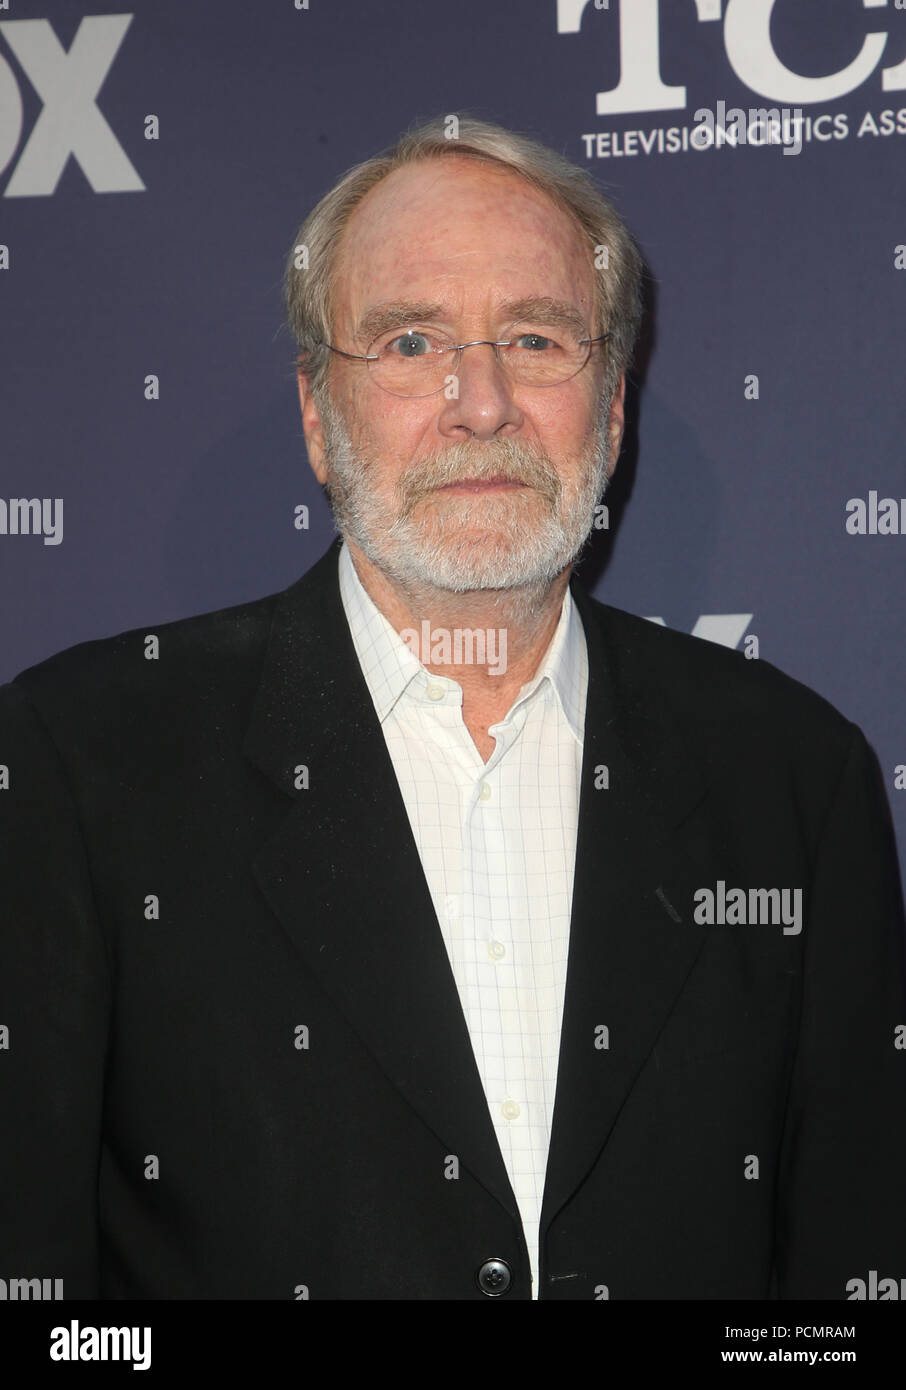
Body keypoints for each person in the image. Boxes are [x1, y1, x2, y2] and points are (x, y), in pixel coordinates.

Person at [1, 116, 904, 1301]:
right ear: (321, 418)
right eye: (412, 339)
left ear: (615, 410)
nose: (481, 402)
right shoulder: (79, 763)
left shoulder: (795, 778)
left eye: (536, 338)